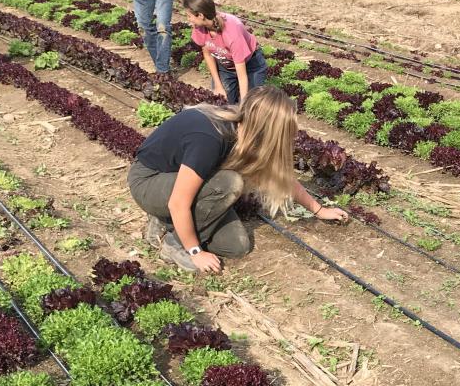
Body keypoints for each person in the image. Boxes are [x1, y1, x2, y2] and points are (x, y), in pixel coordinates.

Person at [127, 86, 349, 272]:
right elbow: (178, 202)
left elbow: (281, 176)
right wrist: (195, 251)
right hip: (149, 181)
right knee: (230, 183)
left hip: (176, 188)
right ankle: (175, 243)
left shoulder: (245, 130)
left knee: (237, 246)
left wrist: (319, 210)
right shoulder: (209, 138)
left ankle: (168, 221)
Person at [183, 0, 268, 105]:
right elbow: (207, 54)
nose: (188, 19)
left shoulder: (232, 32)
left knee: (250, 106)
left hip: (250, 65)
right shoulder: (199, 27)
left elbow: (242, 75)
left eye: (189, 16)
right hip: (226, 67)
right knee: (221, 104)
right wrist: (218, 86)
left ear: (201, 15)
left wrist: (243, 104)